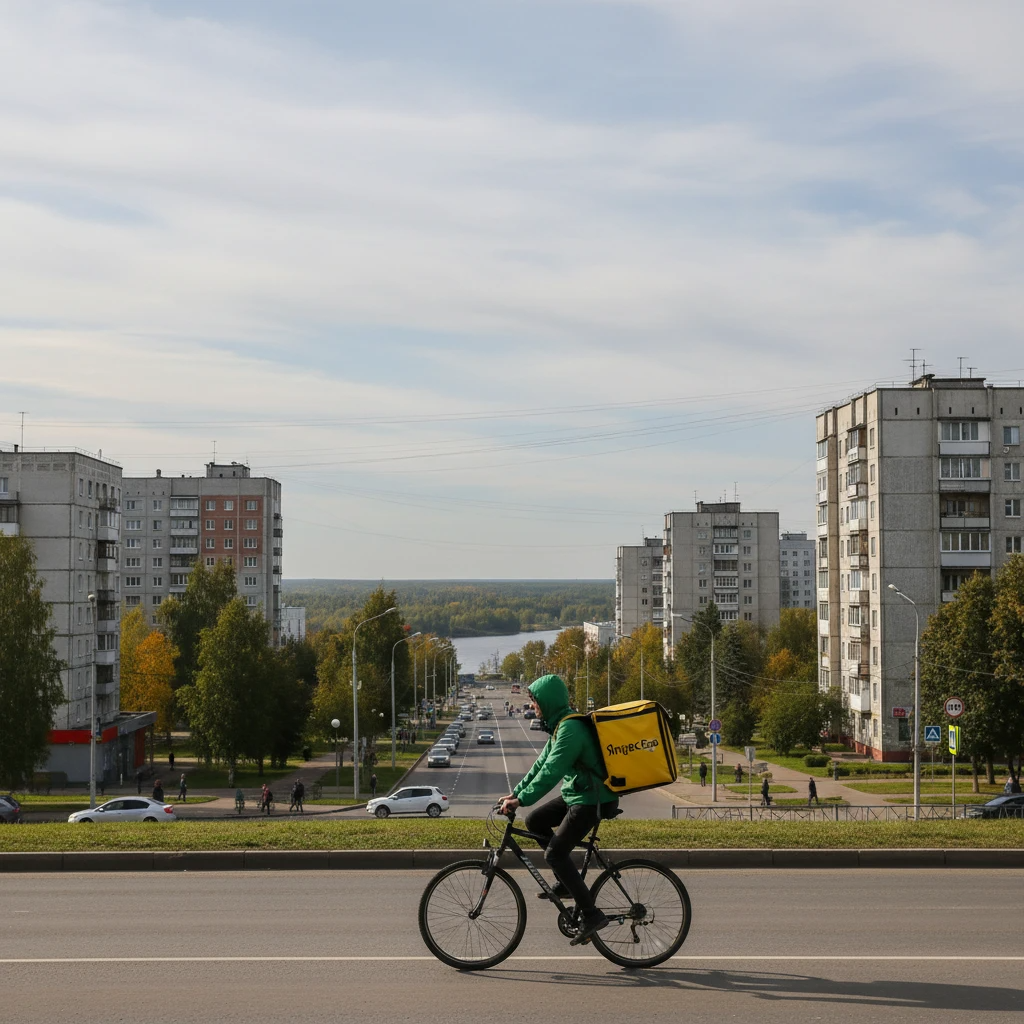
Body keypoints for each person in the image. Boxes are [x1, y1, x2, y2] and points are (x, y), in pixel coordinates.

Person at [498, 673, 617, 948]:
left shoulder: (571, 730)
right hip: (579, 794)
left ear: (548, 701)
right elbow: (540, 764)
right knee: (535, 821)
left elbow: (553, 771)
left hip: (592, 799)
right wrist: (517, 793)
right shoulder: (561, 726)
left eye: (536, 702)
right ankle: (566, 882)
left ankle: (591, 915)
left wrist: (522, 798)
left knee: (554, 853)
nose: (534, 707)